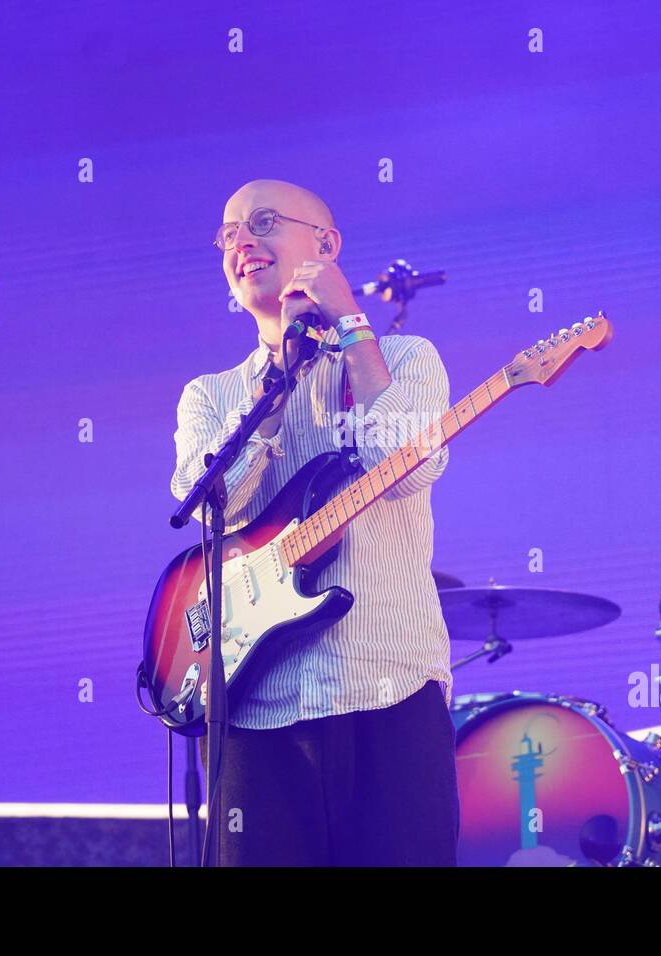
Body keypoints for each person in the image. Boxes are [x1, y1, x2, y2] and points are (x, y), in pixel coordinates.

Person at [170, 179, 459, 866]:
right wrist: (277, 384)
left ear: (325, 245)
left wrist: (351, 325)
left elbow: (407, 463)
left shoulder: (408, 360)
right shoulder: (211, 396)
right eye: (228, 234)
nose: (241, 242)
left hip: (388, 691)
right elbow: (210, 506)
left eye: (263, 223)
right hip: (257, 708)